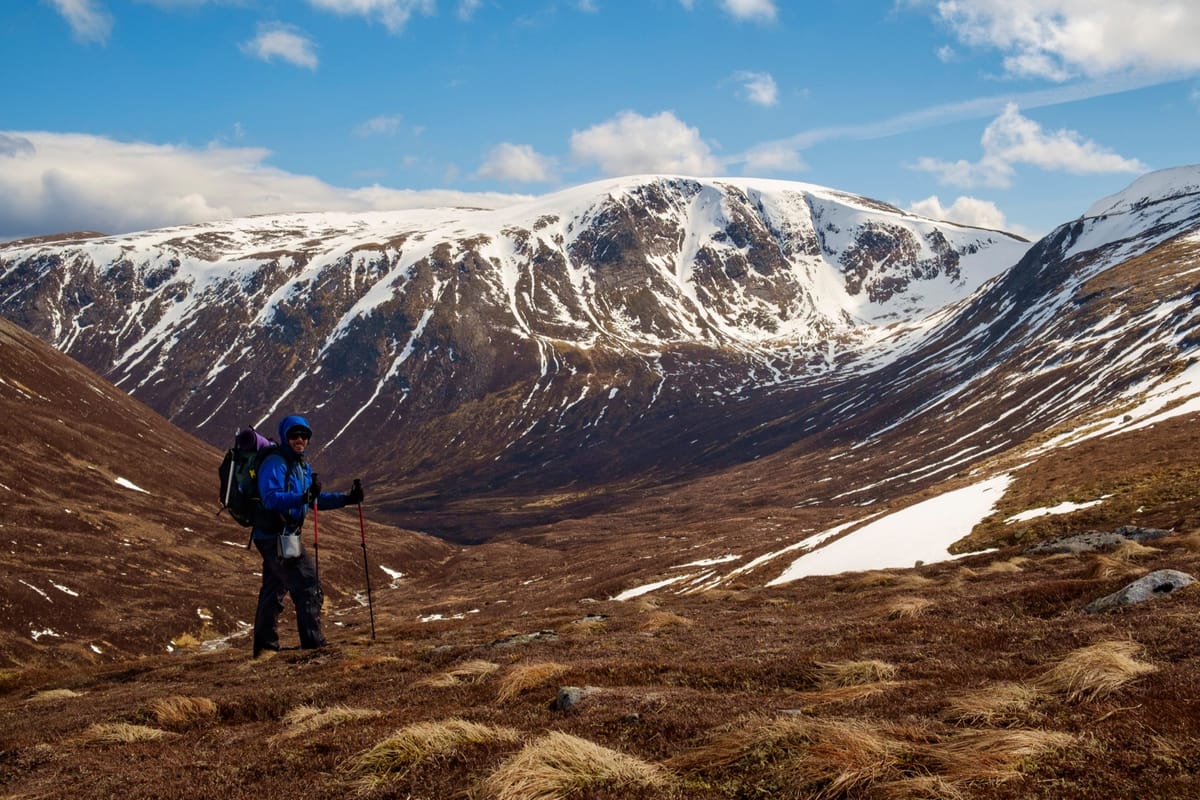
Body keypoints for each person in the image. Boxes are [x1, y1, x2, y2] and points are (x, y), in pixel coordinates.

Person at [251, 414, 364, 657]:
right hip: (277, 535)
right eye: (294, 435)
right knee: (307, 582)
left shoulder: (301, 466)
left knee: (274, 587)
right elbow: (270, 498)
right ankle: (313, 646)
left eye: (304, 435)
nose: (299, 439)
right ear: (285, 437)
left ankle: (264, 648)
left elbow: (313, 499)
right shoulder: (276, 462)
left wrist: (346, 499)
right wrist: (303, 497)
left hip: (280, 535)